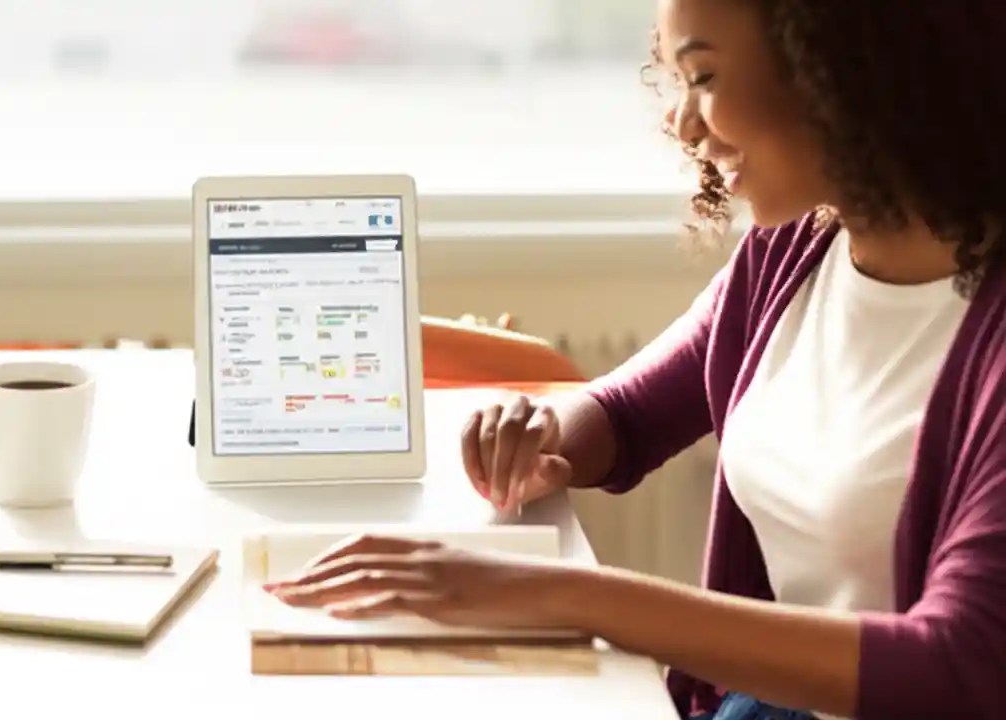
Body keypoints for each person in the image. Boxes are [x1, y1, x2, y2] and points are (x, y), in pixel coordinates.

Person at [263, 0, 1006, 718]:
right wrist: (542, 433)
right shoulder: (797, 250)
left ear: (847, 70)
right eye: (676, 80)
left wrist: (558, 594)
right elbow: (625, 412)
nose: (681, 123)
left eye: (705, 78)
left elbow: (959, 667)